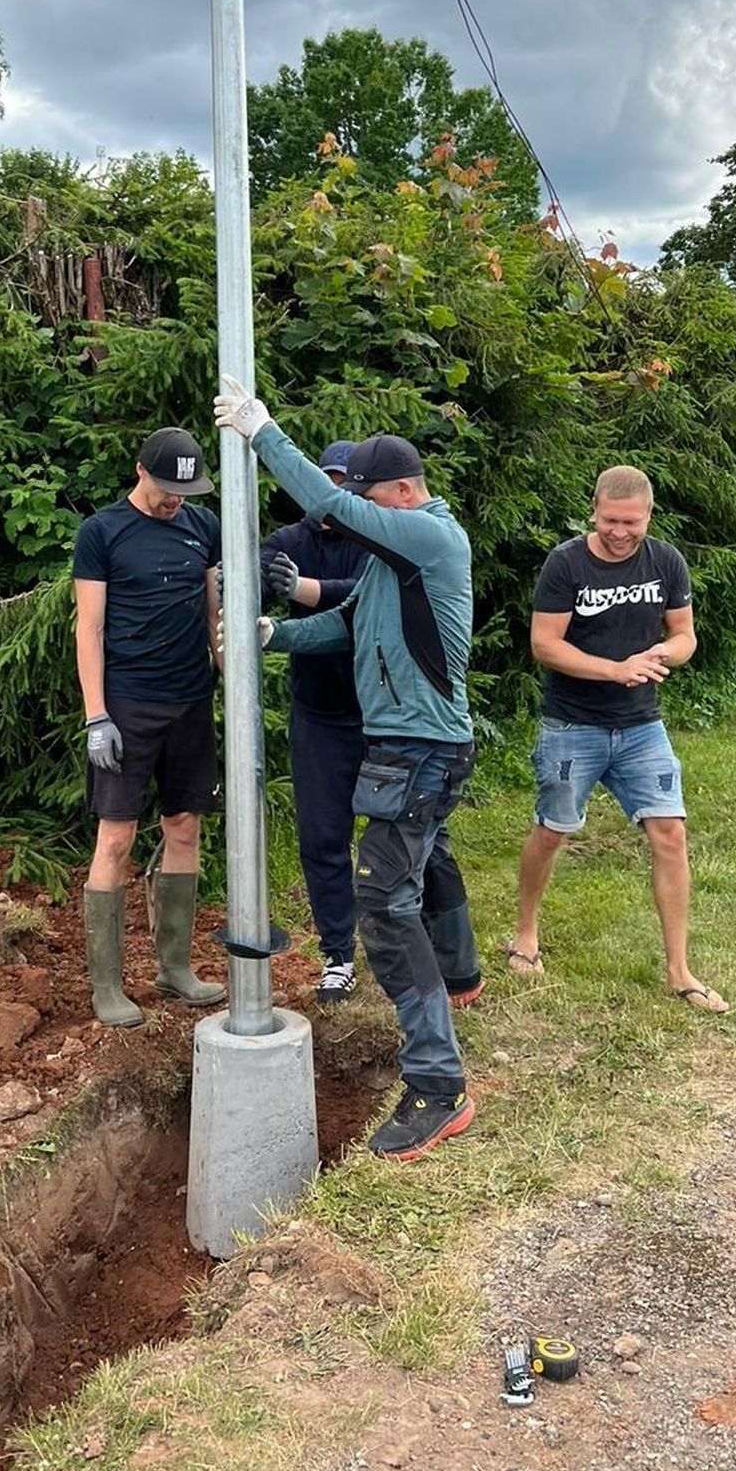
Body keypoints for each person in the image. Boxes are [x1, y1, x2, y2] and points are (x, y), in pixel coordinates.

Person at [214, 377, 482, 1162]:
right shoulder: (393, 562)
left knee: (386, 908)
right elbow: (344, 625)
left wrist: (264, 431)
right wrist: (273, 636)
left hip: (420, 749)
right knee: (418, 870)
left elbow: (331, 507)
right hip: (412, 748)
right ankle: (460, 977)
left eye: (367, 498)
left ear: (400, 491)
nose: (355, 512)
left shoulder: (430, 536)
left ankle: (438, 1087)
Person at [511, 465, 728, 1015]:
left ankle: (679, 971)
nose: (619, 532)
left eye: (631, 522)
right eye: (610, 520)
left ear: (649, 516)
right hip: (572, 725)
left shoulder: (666, 561)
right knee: (553, 831)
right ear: (594, 511)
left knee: (671, 834)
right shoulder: (566, 564)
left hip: (641, 726)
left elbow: (685, 634)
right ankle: (526, 932)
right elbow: (544, 645)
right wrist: (615, 670)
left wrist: (664, 653)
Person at [72, 426, 227, 1027]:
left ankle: (174, 967)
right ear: (140, 471)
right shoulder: (103, 533)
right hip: (129, 706)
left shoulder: (202, 527)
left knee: (184, 827)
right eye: (166, 489)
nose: (173, 501)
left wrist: (231, 679)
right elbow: (90, 629)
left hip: (190, 701)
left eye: (183, 492)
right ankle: (107, 986)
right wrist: (97, 715)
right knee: (116, 838)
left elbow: (213, 614)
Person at [259, 441, 369, 1006]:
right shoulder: (288, 542)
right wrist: (240, 583)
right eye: (325, 482)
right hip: (319, 715)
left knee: (406, 836)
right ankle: (338, 955)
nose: (332, 495)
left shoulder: (376, 539)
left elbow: (363, 599)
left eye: (343, 486)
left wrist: (303, 590)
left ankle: (423, 945)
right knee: (323, 837)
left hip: (381, 714)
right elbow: (254, 581)